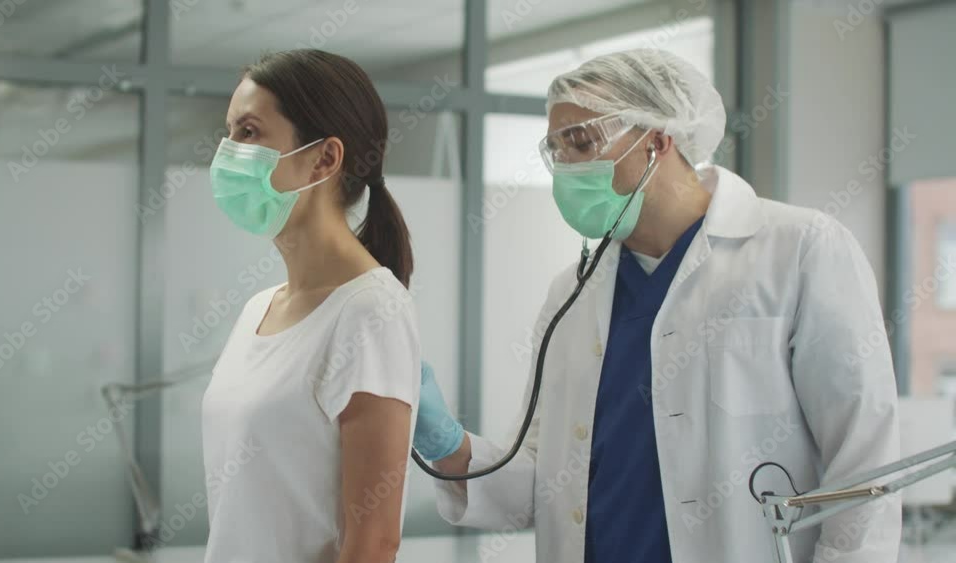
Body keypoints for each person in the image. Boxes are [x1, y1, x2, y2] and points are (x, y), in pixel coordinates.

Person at [414, 49, 901, 563]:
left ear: (657, 140)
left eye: (582, 142)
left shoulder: (799, 251)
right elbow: (543, 482)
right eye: (556, 150)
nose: (566, 167)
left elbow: (862, 457)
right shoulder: (571, 293)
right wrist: (445, 442)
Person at [201, 49, 420, 563]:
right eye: (229, 133)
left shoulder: (370, 311)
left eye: (249, 132)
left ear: (324, 158)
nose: (228, 153)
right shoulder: (258, 310)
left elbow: (374, 544)